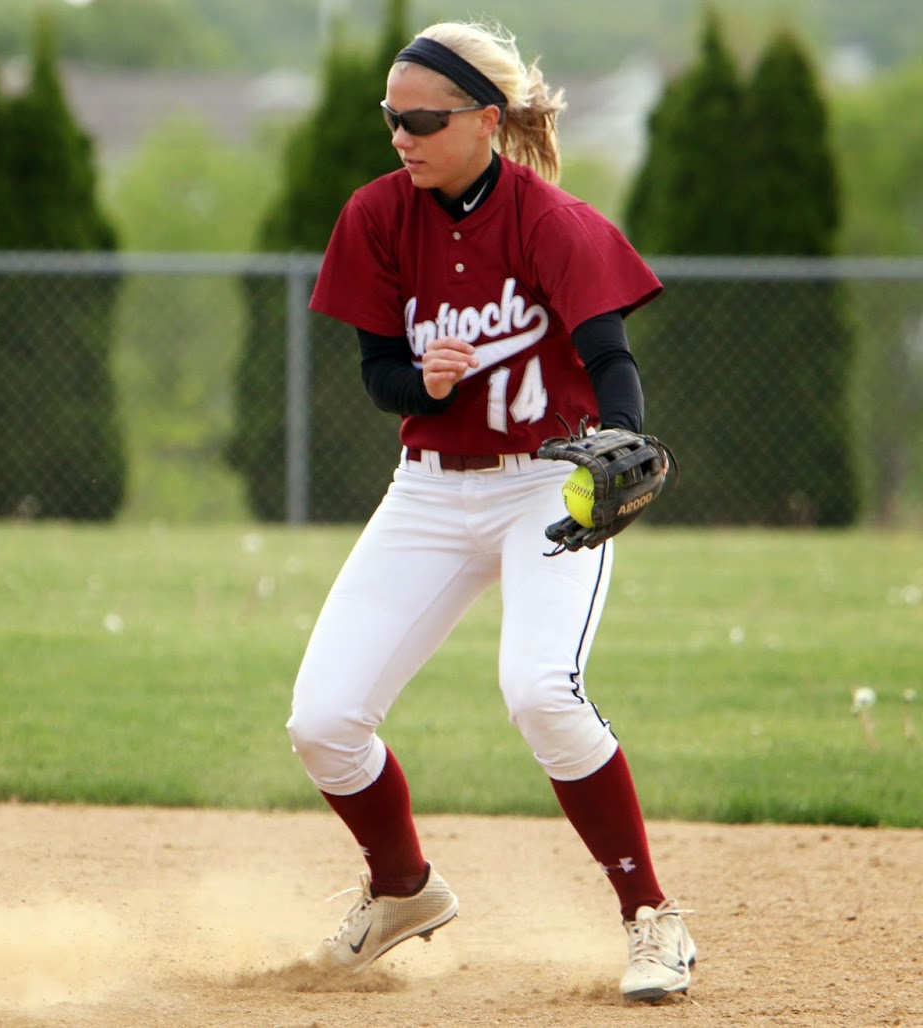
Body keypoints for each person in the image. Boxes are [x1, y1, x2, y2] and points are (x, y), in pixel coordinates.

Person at [286, 21, 697, 1003]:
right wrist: (421, 384)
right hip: (428, 490)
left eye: (422, 119)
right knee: (323, 721)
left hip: (542, 484)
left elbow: (609, 357)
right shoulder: (376, 215)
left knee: (541, 692)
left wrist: (619, 439)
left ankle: (651, 915)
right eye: (391, 118)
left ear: (484, 118)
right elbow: (379, 373)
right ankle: (401, 888)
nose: (401, 136)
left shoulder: (551, 221)